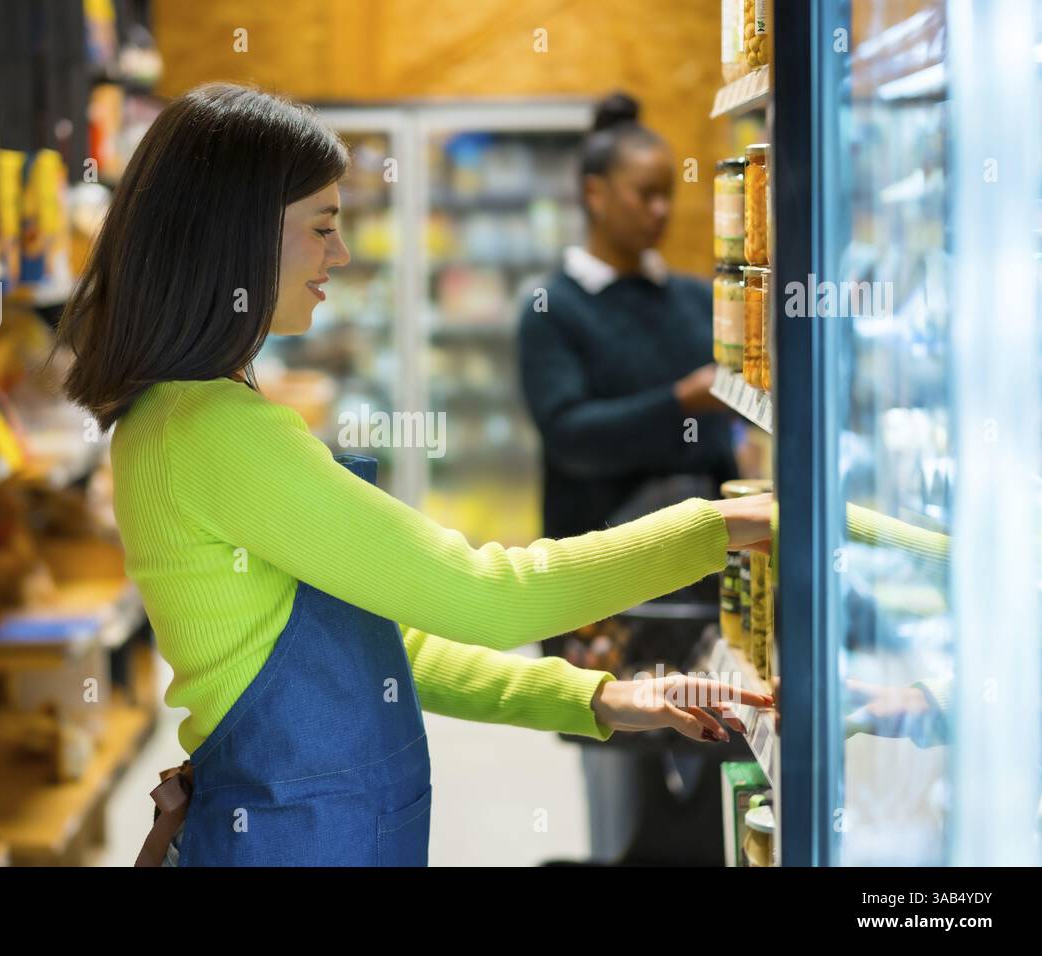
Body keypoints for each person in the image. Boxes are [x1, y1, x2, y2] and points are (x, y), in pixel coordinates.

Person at [56, 82, 772, 867]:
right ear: (239, 236)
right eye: (323, 227)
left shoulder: (181, 415)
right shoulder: (215, 431)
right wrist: (723, 527)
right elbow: (488, 595)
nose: (341, 254)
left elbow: (381, 650)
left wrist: (598, 697)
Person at [518, 92, 742, 865]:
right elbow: (572, 436)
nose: (658, 210)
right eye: (644, 194)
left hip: (702, 587)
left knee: (720, 757)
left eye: (666, 195)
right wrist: (677, 401)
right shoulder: (553, 309)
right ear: (594, 193)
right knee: (619, 769)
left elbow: (716, 438)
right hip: (602, 589)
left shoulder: (688, 298)